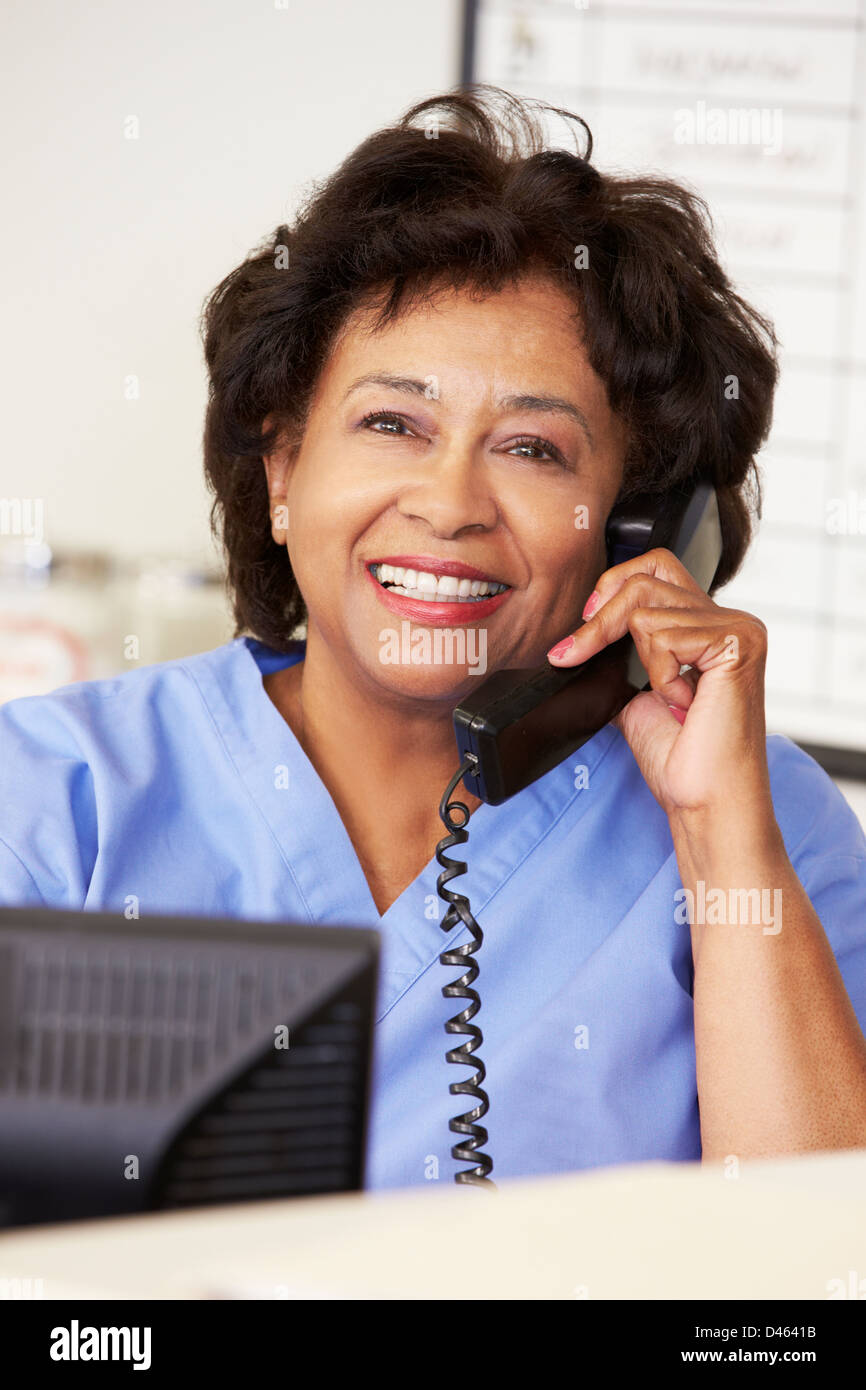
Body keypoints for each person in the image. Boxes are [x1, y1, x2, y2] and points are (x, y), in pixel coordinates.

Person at [2, 87, 865, 1190]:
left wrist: (720, 840)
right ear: (281, 470)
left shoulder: (766, 821)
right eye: (391, 423)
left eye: (534, 449)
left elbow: (796, 1304)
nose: (449, 501)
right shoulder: (50, 799)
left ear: (632, 526)